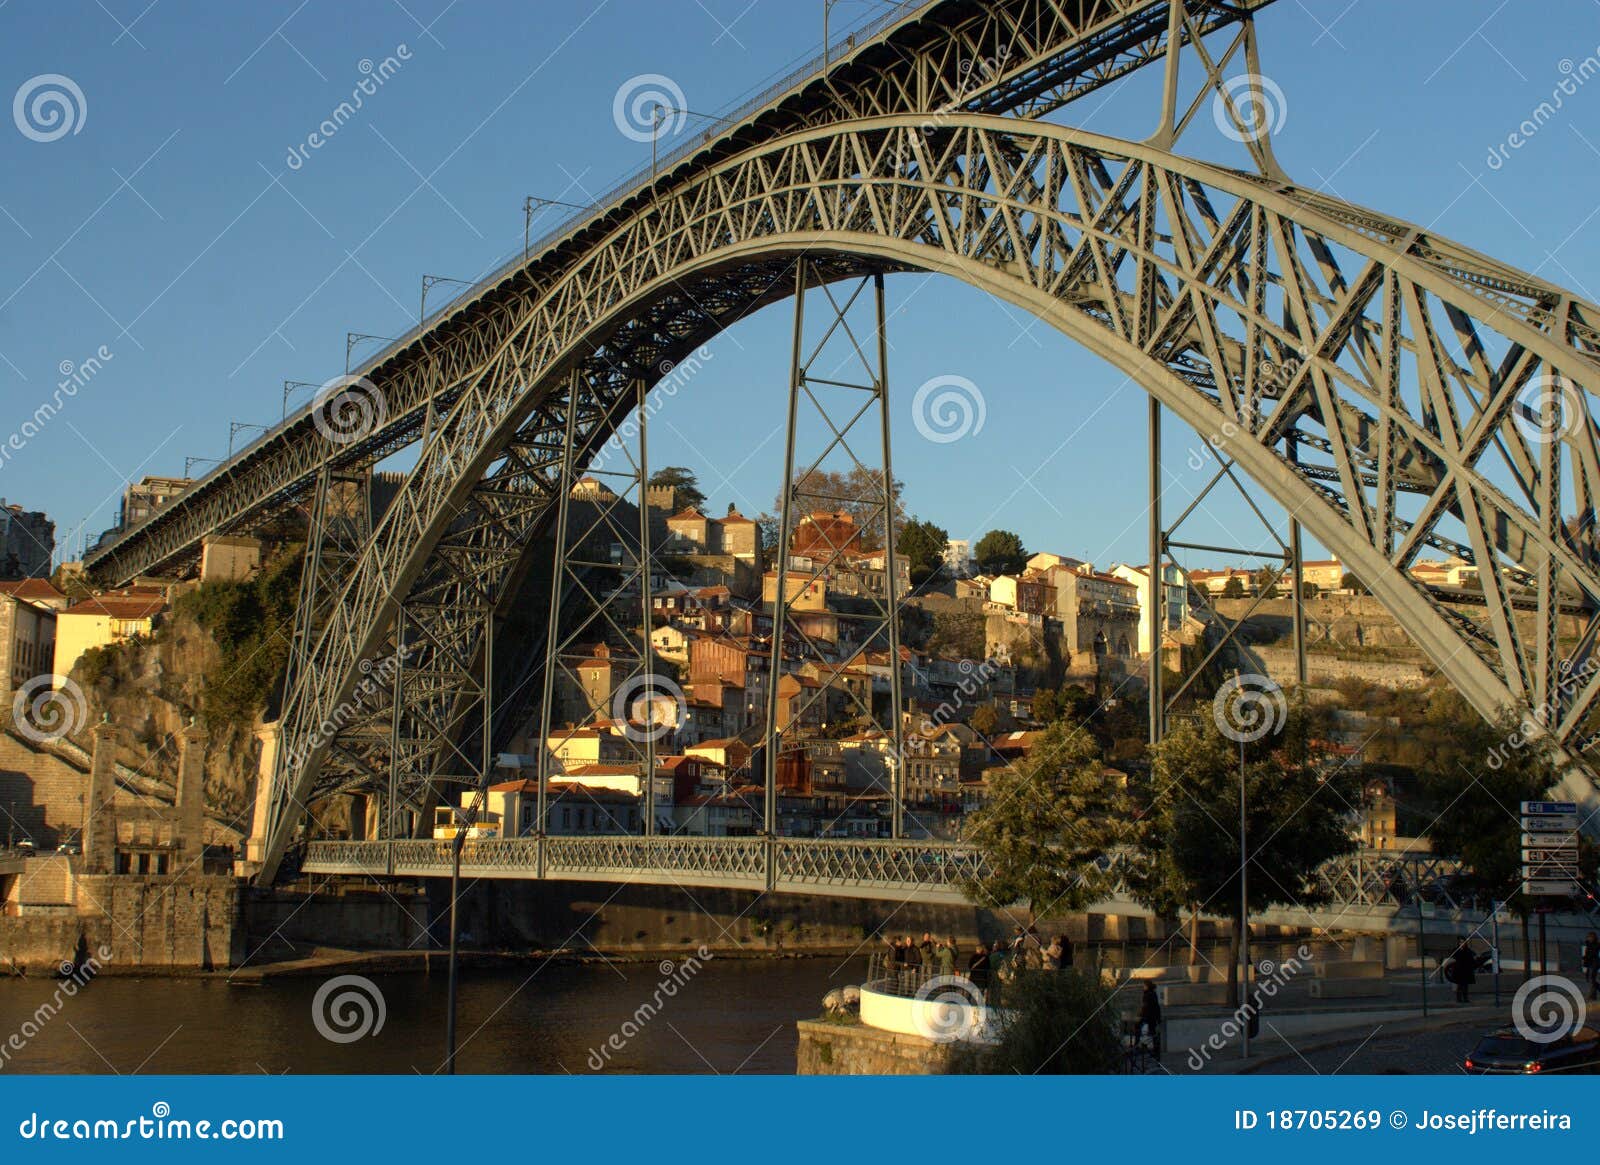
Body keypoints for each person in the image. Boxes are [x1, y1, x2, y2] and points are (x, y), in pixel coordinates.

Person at [1447, 939, 1477, 1004]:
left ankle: (1465, 998)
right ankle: (1459, 999)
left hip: (1466, 970)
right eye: (1461, 942)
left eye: (1463, 942)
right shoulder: (1456, 950)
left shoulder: (1468, 950)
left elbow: (1473, 956)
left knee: (1465, 985)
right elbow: (1454, 956)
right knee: (1459, 985)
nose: (1462, 943)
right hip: (1459, 970)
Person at [1136, 982, 1162, 1052]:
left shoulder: (1148, 994)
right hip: (1151, 1016)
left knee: (1139, 1028)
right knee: (1152, 1032)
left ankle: (1138, 1044)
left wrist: (1141, 1014)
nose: (1143, 987)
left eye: (1144, 986)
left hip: (1148, 1015)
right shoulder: (1152, 993)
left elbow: (1146, 1006)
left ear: (1147, 986)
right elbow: (1156, 1006)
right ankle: (1153, 1048)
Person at [1583, 931, 1599, 1001]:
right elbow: (1588, 954)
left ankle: (1591, 996)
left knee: (1591, 979)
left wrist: (1587, 957)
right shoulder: (1588, 944)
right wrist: (1585, 958)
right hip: (1590, 963)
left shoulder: (1596, 944)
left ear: (1593, 938)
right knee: (1589, 979)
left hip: (1594, 963)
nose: (1589, 938)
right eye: (1588, 937)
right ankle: (1593, 996)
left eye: (1590, 937)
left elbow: (1592, 953)